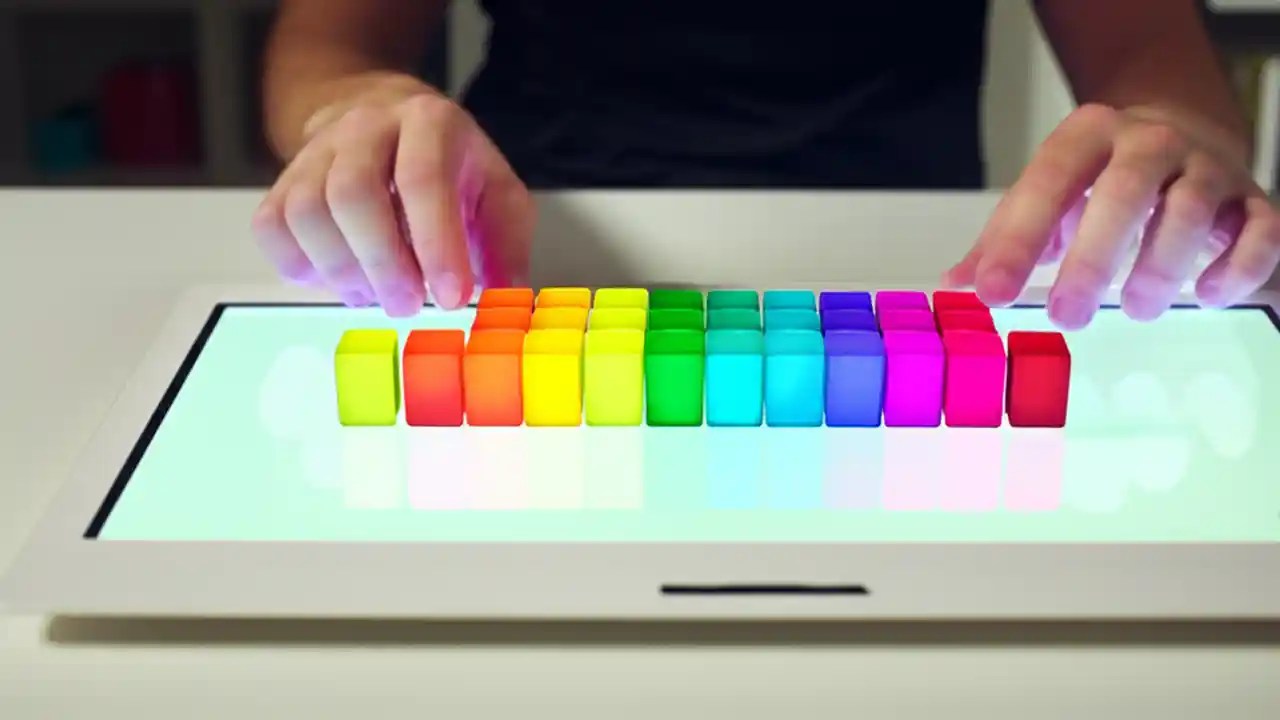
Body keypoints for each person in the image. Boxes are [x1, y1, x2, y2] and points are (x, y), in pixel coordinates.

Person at [251, 0, 1279, 330]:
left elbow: (1154, 63)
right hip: (518, 253)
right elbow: (327, 45)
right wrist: (358, 108)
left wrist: (1173, 139)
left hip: (908, 268)